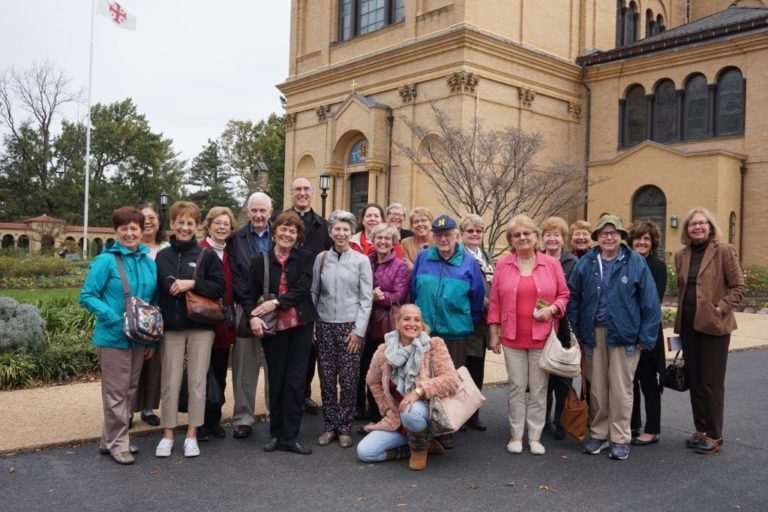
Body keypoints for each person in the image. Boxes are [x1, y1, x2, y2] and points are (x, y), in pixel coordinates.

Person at [567, 214, 660, 461]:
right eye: (604, 233)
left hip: (625, 335)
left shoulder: (635, 262)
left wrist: (645, 336)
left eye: (614, 233)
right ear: (597, 237)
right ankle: (599, 433)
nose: (609, 237)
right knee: (597, 388)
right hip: (593, 334)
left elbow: (650, 302)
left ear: (621, 236)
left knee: (621, 389)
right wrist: (578, 331)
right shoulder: (586, 263)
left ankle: (620, 437)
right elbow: (573, 299)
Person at [80, 207, 158, 465]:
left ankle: (110, 439)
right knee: (115, 392)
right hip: (113, 337)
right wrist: (114, 318)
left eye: (134, 228)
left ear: (141, 230)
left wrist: (151, 339)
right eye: (123, 228)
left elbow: (151, 302)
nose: (129, 233)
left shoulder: (148, 263)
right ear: (116, 231)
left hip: (138, 337)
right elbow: (87, 296)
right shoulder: (106, 261)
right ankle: (118, 444)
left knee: (129, 391)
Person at [487, 215, 570, 456]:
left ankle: (534, 437)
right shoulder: (503, 265)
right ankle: (516, 436)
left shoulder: (551, 264)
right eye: (517, 235)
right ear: (511, 240)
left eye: (527, 233)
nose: (522, 238)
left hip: (542, 337)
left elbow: (564, 295)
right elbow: (495, 302)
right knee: (516, 386)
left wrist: (552, 309)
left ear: (536, 236)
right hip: (512, 337)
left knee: (538, 389)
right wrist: (494, 334)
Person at [154, 201, 225, 458]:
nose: (185, 227)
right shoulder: (162, 256)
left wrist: (191, 284)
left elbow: (219, 288)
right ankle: (168, 435)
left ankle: (192, 435)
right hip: (171, 328)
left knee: (196, 383)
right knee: (170, 383)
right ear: (172, 224)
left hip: (200, 328)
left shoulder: (206, 255)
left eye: (190, 223)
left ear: (197, 227)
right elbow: (155, 290)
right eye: (180, 222)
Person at [243, 211, 317, 455]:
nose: (287, 234)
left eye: (292, 231)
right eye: (283, 229)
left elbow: (303, 288)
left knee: (295, 382)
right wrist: (253, 317)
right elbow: (248, 295)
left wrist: (275, 303)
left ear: (297, 236)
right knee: (276, 380)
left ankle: (290, 437)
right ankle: (276, 434)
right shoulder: (260, 261)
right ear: (274, 233)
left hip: (300, 326)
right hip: (273, 328)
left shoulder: (306, 257)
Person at [674, 208, 744, 454]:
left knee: (711, 382)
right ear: (687, 229)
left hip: (715, 326)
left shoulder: (724, 251)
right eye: (692, 224)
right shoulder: (681, 255)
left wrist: (720, 308)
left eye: (702, 223)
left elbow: (738, 287)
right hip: (688, 326)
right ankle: (701, 430)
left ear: (710, 227)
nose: (697, 227)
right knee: (694, 380)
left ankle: (715, 436)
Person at [411, 214, 485, 448]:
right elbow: (414, 292)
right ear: (433, 237)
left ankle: (447, 428)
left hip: (455, 332)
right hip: (425, 332)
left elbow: (477, 297)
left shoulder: (469, 262)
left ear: (456, 236)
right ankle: (424, 426)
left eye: (448, 235)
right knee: (424, 378)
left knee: (449, 381)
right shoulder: (423, 258)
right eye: (439, 235)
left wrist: (463, 320)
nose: (443, 239)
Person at [357, 304, 459, 471]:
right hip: (397, 420)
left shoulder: (434, 345)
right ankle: (419, 446)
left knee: (410, 411)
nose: (412, 324)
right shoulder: (384, 351)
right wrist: (386, 408)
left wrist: (419, 392)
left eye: (417, 320)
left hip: (426, 414)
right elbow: (372, 380)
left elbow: (451, 380)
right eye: (406, 319)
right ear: (397, 323)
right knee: (365, 452)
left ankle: (419, 449)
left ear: (421, 324)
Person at [311, 210, 373, 448]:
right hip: (325, 324)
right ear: (330, 232)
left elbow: (366, 298)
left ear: (351, 232)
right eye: (337, 228)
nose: (341, 233)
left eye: (346, 229)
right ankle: (330, 426)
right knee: (327, 378)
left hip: (350, 327)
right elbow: (314, 293)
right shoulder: (321, 258)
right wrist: (314, 325)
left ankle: (345, 426)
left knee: (348, 380)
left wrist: (359, 330)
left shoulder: (361, 260)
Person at [284, 177, 332, 415]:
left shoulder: (323, 225)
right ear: (291, 193)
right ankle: (286, 396)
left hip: (313, 294)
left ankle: (304, 394)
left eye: (306, 189)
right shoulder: (281, 221)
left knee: (309, 348)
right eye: (298, 189)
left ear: (312, 193)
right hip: (286, 292)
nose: (302, 193)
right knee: (286, 347)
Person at [227, 192, 273, 440]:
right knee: (245, 365)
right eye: (254, 210)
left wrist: (274, 304)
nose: (258, 215)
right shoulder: (237, 239)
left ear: (270, 212)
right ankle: (243, 417)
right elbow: (236, 277)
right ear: (247, 212)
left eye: (262, 210)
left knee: (275, 365)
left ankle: (276, 414)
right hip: (246, 307)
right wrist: (250, 310)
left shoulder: (281, 233)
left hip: (275, 308)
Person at [359, 222, 410, 421]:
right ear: (373, 239)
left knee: (383, 373)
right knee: (365, 371)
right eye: (379, 237)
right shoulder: (365, 261)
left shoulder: (400, 266)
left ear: (394, 242)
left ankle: (385, 417)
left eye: (387, 238)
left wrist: (378, 298)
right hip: (363, 324)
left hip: (383, 328)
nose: (383, 241)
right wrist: (369, 296)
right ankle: (367, 413)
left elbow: (399, 296)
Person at [626, 220, 667, 447]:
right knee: (629, 382)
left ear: (653, 243)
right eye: (638, 238)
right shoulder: (626, 263)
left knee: (648, 383)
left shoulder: (657, 267)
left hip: (647, 334)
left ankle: (652, 429)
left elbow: (653, 304)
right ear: (631, 241)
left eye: (646, 239)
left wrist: (643, 336)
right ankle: (632, 425)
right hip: (627, 333)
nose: (642, 242)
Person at [198, 207, 238, 440]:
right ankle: (200, 422)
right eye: (218, 223)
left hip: (224, 321)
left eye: (226, 224)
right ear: (209, 226)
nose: (222, 227)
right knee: (201, 373)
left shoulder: (231, 254)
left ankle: (215, 419)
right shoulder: (201, 250)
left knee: (220, 372)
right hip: (203, 318)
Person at [539, 216, 579, 441]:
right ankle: (542, 420)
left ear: (563, 239)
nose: (552, 239)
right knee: (543, 377)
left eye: (556, 235)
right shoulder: (536, 259)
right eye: (548, 235)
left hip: (565, 326)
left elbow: (576, 294)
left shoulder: (573, 263)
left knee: (563, 377)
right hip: (541, 325)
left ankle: (561, 421)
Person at [131, 200, 169, 428]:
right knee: (131, 362)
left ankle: (148, 407)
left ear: (159, 221)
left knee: (153, 363)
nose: (148, 222)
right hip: (133, 314)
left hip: (158, 314)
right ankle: (127, 409)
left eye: (152, 217)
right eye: (143, 218)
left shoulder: (166, 249)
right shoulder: (130, 247)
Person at [459, 214, 494, 431]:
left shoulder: (485, 255)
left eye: (478, 231)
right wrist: (485, 302)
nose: (475, 234)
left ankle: (474, 413)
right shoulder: (459, 256)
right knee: (464, 369)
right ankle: (461, 415)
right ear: (462, 234)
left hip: (483, 323)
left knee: (477, 369)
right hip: (466, 320)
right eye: (470, 231)